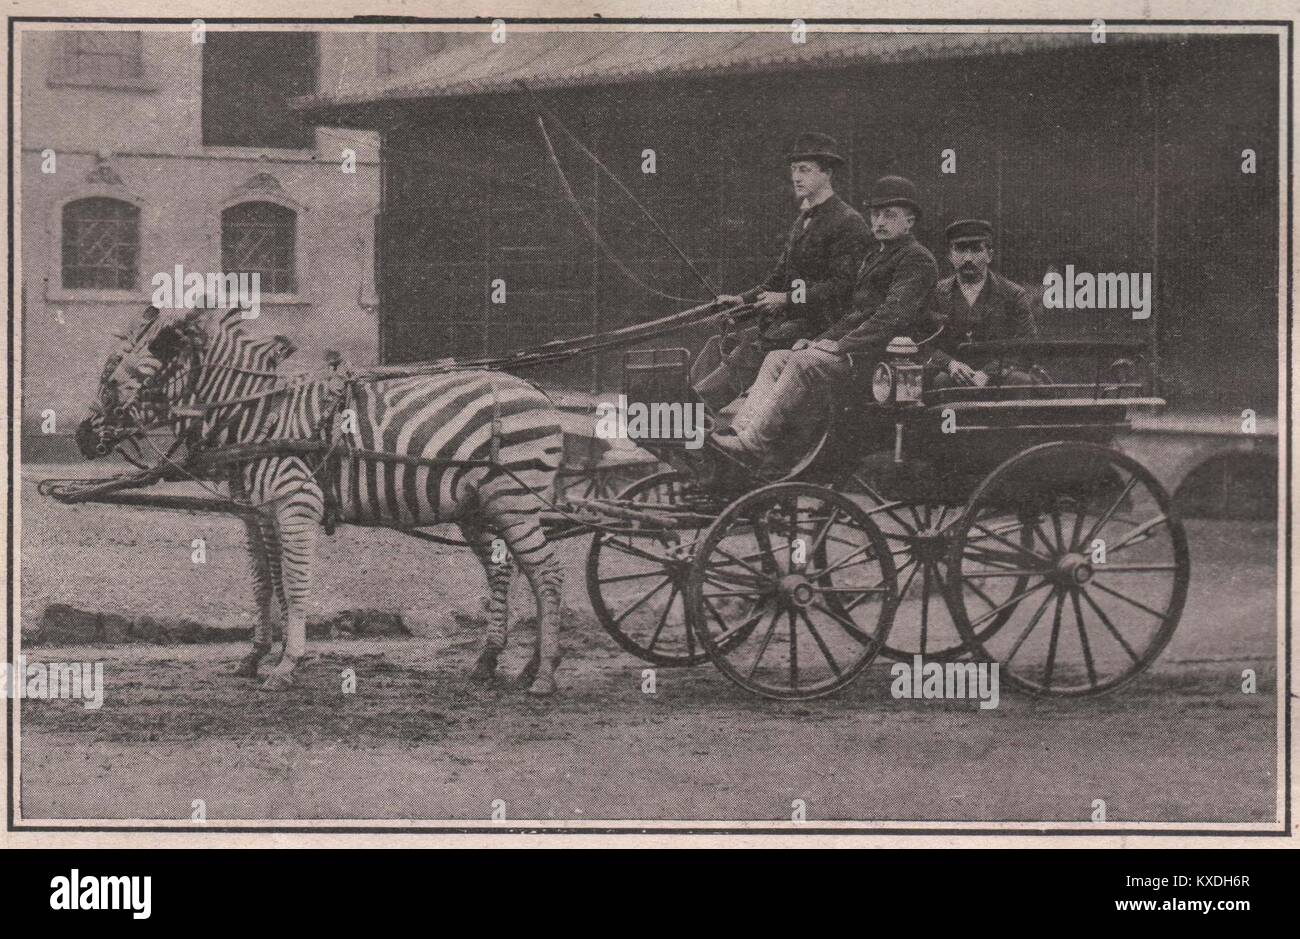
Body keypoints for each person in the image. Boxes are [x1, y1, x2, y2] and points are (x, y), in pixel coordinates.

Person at [711, 175, 937, 464]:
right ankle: (740, 432)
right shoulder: (876, 257)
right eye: (875, 214)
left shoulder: (916, 259)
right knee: (778, 357)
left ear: (910, 221)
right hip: (861, 351)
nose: (879, 221)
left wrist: (840, 346)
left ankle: (755, 444)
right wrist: (819, 340)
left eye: (889, 215)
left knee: (803, 362)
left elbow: (892, 317)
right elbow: (856, 314)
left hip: (887, 362)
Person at [691, 132, 871, 413]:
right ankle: (685, 400)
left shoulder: (848, 222)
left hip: (824, 326)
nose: (797, 177)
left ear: (827, 173)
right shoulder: (802, 221)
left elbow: (841, 286)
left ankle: (694, 411)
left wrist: (786, 299)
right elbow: (779, 277)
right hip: (790, 320)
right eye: (793, 170)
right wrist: (741, 300)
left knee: (751, 346)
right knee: (721, 341)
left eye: (805, 170)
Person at [923, 219, 1041, 389]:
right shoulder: (935, 294)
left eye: (977, 250)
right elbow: (925, 342)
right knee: (939, 382)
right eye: (961, 250)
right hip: (952, 375)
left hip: (1000, 376)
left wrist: (989, 372)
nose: (968, 258)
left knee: (1019, 381)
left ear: (989, 255)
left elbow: (1026, 344)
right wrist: (950, 365)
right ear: (950, 255)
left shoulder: (1013, 294)